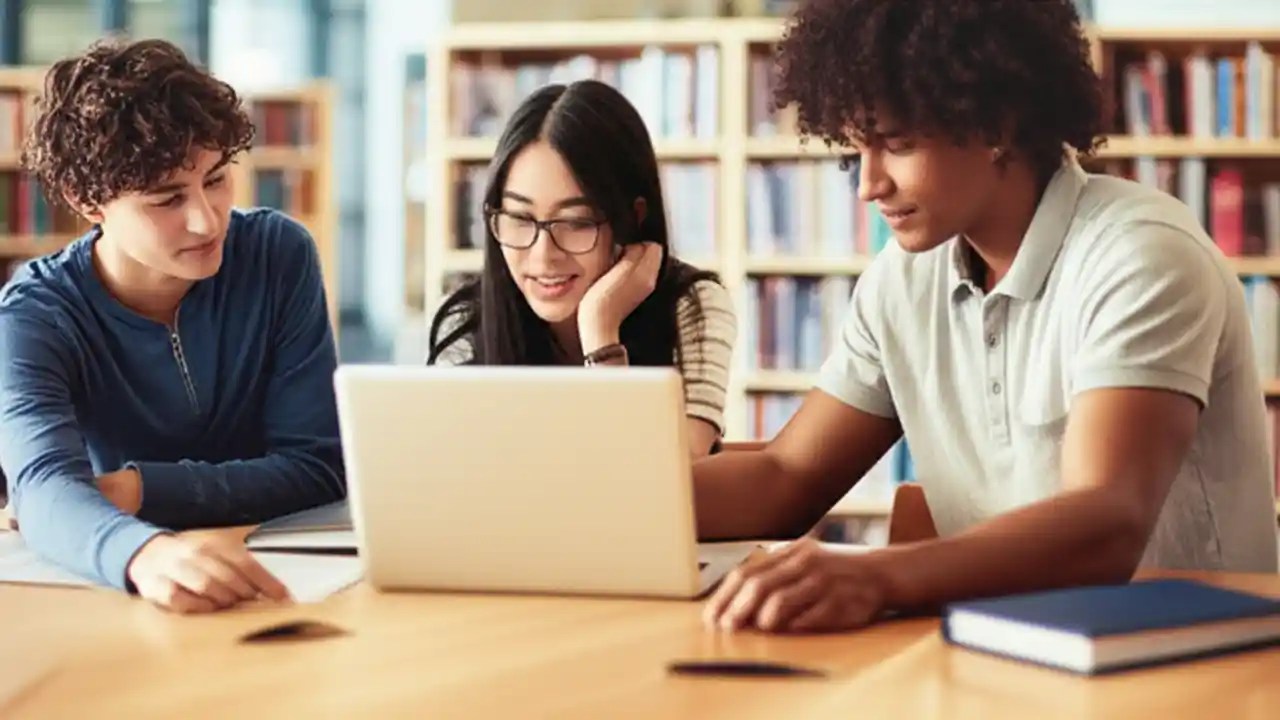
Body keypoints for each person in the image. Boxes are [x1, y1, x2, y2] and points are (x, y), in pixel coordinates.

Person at [696, 0, 1279, 634]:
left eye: (896, 144)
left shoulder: (1141, 254)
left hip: (1195, 659)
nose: (868, 185)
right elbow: (789, 475)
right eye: (855, 149)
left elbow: (1105, 521)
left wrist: (876, 573)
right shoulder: (901, 281)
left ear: (995, 122)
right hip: (1004, 648)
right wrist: (599, 505)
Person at [0, 39, 345, 613]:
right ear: (87, 199)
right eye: (166, 199)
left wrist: (135, 489)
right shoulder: (33, 315)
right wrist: (143, 553)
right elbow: (43, 492)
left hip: (286, 585)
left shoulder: (278, 255)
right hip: (122, 595)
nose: (206, 220)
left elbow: (318, 467)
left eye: (215, 180)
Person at [428, 80, 738, 457]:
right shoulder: (466, 323)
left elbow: (665, 484)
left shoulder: (692, 307)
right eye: (520, 218)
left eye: (575, 222)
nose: (543, 256)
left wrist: (601, 333)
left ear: (631, 219)